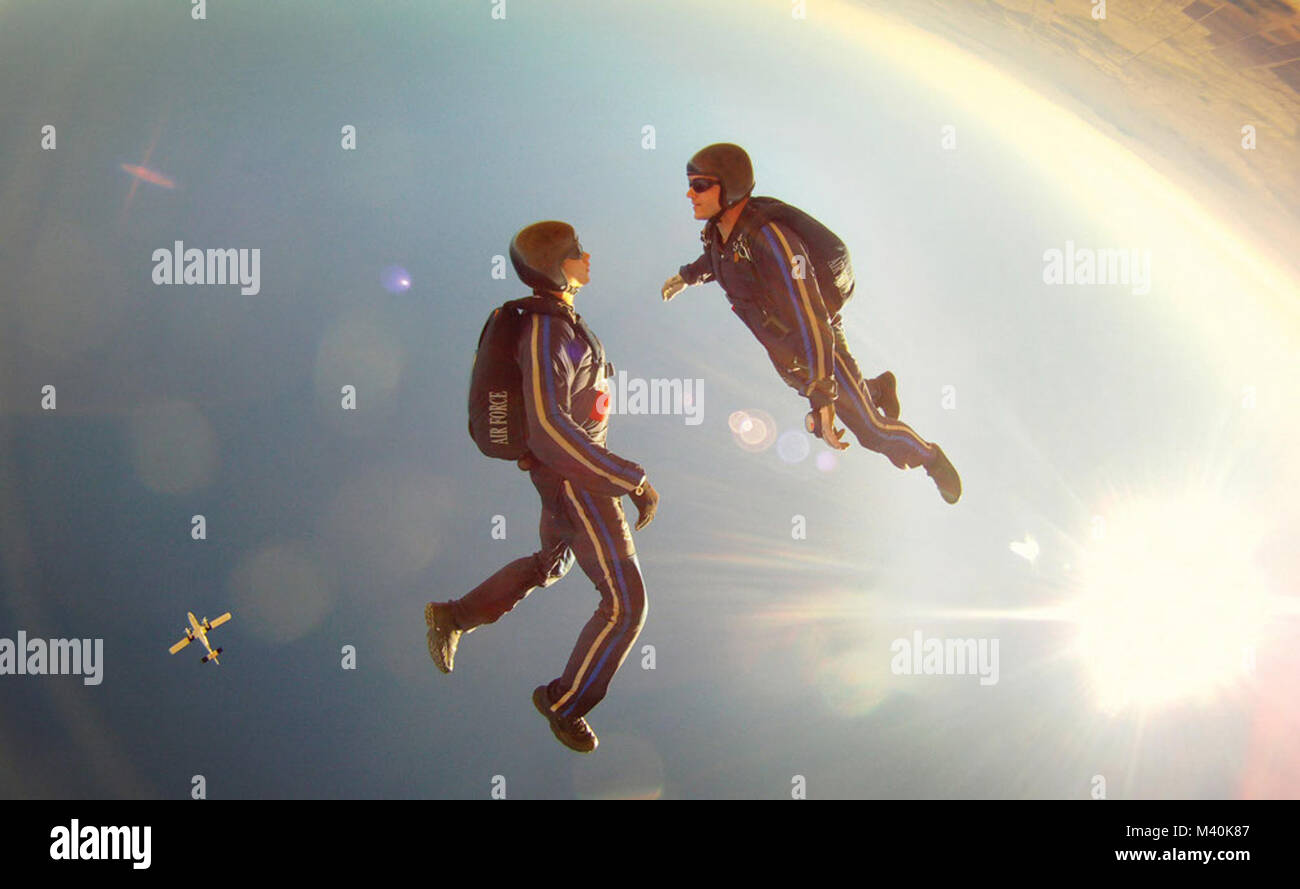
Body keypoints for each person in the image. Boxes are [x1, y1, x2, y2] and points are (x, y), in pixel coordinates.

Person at [426, 221, 660, 753]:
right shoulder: (548, 329)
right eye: (578, 252)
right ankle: (564, 703)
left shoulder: (565, 325)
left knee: (552, 564)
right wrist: (631, 478)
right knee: (626, 604)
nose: (588, 256)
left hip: (568, 481)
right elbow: (552, 431)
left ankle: (455, 615)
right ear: (557, 265)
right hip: (579, 483)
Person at [661, 143, 961, 504]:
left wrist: (823, 390)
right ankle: (877, 388)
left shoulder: (773, 239)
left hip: (817, 342)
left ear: (730, 187)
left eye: (700, 184)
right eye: (690, 183)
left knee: (869, 428)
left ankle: (931, 458)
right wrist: (687, 277)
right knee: (831, 415)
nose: (690, 193)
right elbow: (718, 258)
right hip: (790, 352)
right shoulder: (720, 233)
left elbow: (809, 313)